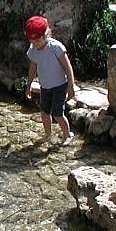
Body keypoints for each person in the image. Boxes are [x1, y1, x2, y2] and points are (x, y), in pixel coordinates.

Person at [24, 15, 77, 146]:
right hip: (45, 86)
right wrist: (29, 84)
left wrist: (71, 85)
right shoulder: (33, 49)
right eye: (32, 41)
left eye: (37, 41)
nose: (35, 44)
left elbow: (67, 67)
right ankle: (48, 134)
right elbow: (33, 67)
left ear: (45, 35)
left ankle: (67, 134)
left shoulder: (55, 47)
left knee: (58, 114)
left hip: (59, 86)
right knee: (44, 112)